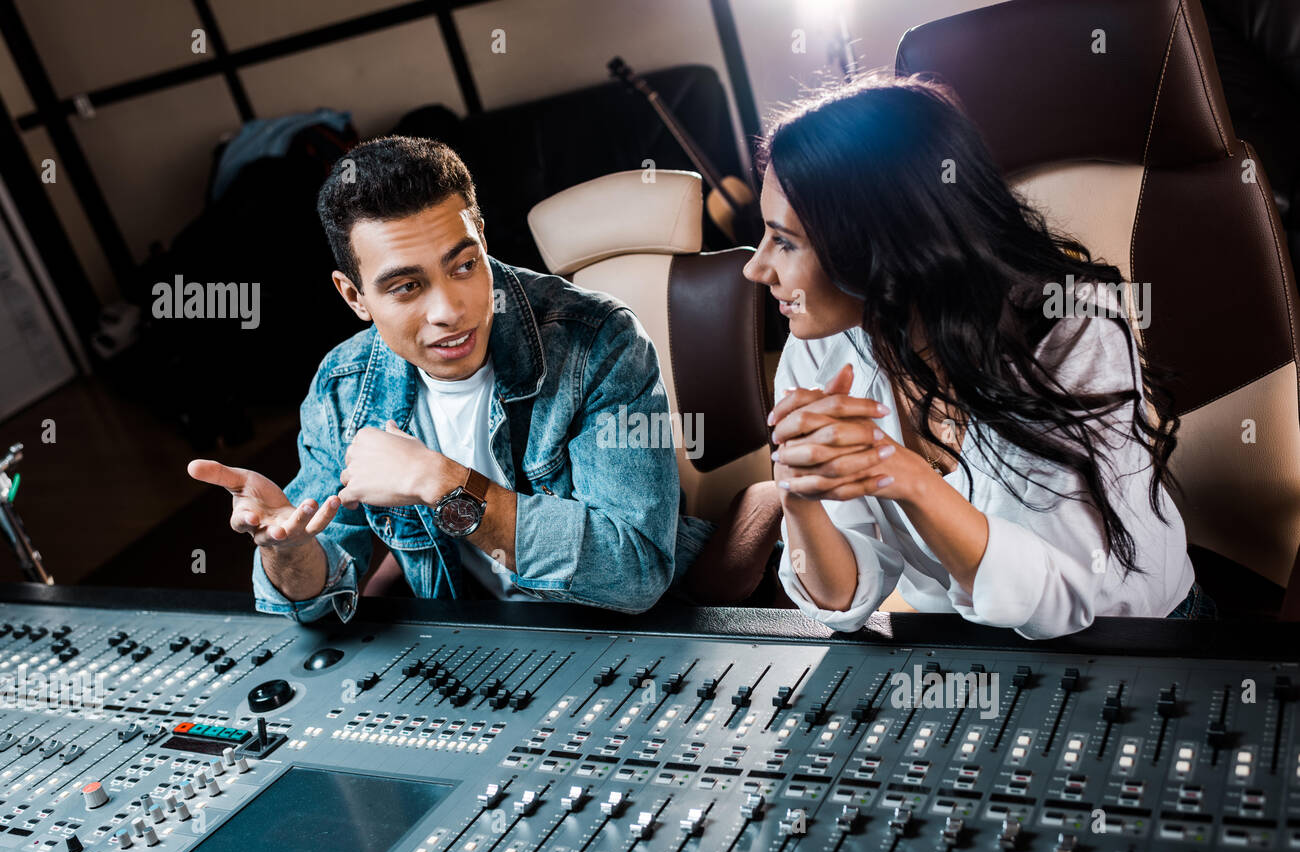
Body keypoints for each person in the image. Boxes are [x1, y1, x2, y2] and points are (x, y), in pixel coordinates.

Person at [742, 73, 1213, 639]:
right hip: (963, 648)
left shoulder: (1070, 327)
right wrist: (799, 497)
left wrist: (907, 478)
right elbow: (843, 597)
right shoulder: (818, 347)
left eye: (785, 241)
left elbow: (1065, 600)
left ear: (879, 242)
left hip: (1131, 643)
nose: (756, 268)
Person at [188, 135, 704, 623]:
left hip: (611, 631)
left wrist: (441, 483)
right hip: (474, 641)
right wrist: (289, 551)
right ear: (354, 297)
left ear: (483, 240)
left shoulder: (599, 342)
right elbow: (317, 599)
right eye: (407, 286)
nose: (449, 311)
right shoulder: (342, 389)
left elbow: (636, 571)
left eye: (463, 266)